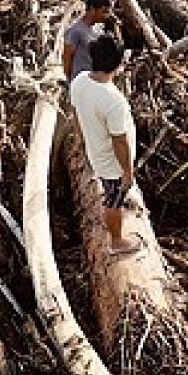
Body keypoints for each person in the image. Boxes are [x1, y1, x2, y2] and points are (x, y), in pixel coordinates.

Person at [70, 35, 141, 255]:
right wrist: (127, 172)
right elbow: (119, 141)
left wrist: (83, 138)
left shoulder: (80, 80)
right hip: (111, 164)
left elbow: (76, 113)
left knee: (114, 195)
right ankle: (117, 241)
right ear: (118, 64)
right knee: (113, 199)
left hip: (96, 149)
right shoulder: (112, 100)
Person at [64, 0, 114, 82]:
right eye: (104, 11)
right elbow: (67, 58)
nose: (106, 16)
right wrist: (71, 82)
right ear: (92, 9)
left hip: (94, 82)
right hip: (81, 83)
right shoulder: (75, 31)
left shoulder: (98, 30)